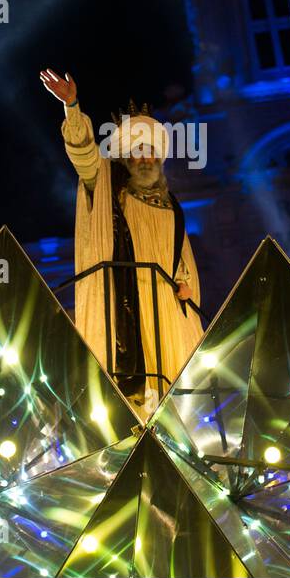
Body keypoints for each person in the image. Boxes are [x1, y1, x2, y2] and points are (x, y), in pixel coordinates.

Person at [40, 68, 203, 413]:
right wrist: (72, 105)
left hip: (166, 307)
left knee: (175, 386)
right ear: (127, 156)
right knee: (134, 390)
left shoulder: (172, 205)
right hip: (125, 300)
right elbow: (83, 155)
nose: (145, 158)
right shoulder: (108, 190)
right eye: (138, 151)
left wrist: (185, 283)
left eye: (150, 152)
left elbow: (181, 257)